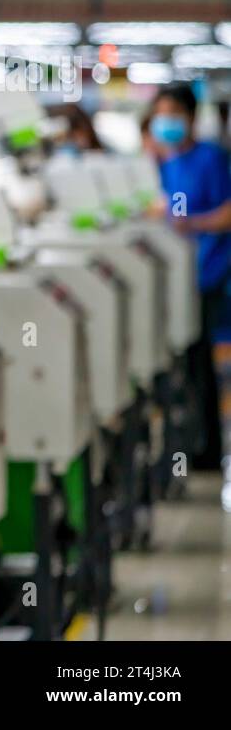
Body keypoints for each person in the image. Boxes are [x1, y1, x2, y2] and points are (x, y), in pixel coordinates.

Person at [149, 83, 231, 472]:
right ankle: (183, 447)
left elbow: (227, 212)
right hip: (175, 279)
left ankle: (207, 450)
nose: (165, 122)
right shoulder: (168, 161)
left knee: (200, 367)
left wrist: (191, 223)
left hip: (208, 275)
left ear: (191, 117)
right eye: (160, 114)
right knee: (181, 367)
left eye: (172, 114)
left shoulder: (211, 159)